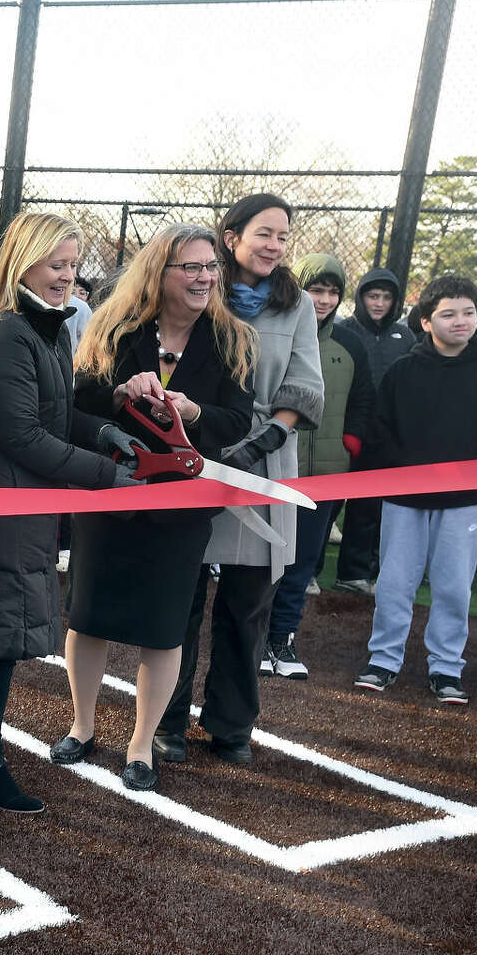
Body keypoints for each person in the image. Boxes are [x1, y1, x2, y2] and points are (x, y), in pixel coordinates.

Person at [0, 212, 137, 812]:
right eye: (56, 265)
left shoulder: (42, 328)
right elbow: (22, 436)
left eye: (72, 266)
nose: (67, 277)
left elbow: (52, 416)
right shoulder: (7, 333)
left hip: (19, 499)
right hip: (3, 503)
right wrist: (106, 477)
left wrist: (103, 434)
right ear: (25, 261)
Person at [64, 226, 256, 790]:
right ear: (159, 273)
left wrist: (194, 413)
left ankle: (142, 745)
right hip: (113, 489)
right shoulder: (116, 329)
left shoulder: (233, 339)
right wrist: (122, 392)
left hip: (180, 506)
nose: (204, 277)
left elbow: (238, 421)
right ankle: (81, 726)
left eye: (210, 267)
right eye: (190, 267)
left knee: (165, 627)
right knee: (88, 614)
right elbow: (80, 401)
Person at [156, 194, 324, 766]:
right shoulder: (200, 291)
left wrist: (265, 441)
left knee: (248, 601)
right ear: (232, 238)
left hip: (264, 467)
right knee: (181, 596)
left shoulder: (295, 303)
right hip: (196, 454)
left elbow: (304, 383)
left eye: (283, 236)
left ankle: (231, 723)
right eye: (264, 233)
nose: (275, 245)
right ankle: (166, 721)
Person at [352, 275, 477, 704]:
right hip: (405, 496)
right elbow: (381, 429)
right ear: (425, 321)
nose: (461, 322)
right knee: (395, 582)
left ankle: (445, 668)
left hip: (465, 500)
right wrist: (401, 470)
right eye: (448, 314)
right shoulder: (404, 370)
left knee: (454, 585)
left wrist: (473, 478)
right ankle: (384, 659)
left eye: (469, 313)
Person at [262, 252, 371, 678]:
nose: (323, 299)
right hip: (272, 466)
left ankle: (282, 640)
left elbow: (363, 398)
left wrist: (351, 441)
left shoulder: (351, 344)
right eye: (316, 289)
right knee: (263, 559)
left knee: (303, 559)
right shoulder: (276, 330)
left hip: (324, 476)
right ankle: (253, 639)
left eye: (332, 292)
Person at [334, 266, 414, 595]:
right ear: (361, 297)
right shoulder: (347, 331)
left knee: (382, 508)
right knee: (344, 504)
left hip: (391, 436)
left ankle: (370, 571)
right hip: (352, 430)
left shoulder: (405, 336)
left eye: (386, 297)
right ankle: (344, 571)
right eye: (373, 295)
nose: (379, 303)